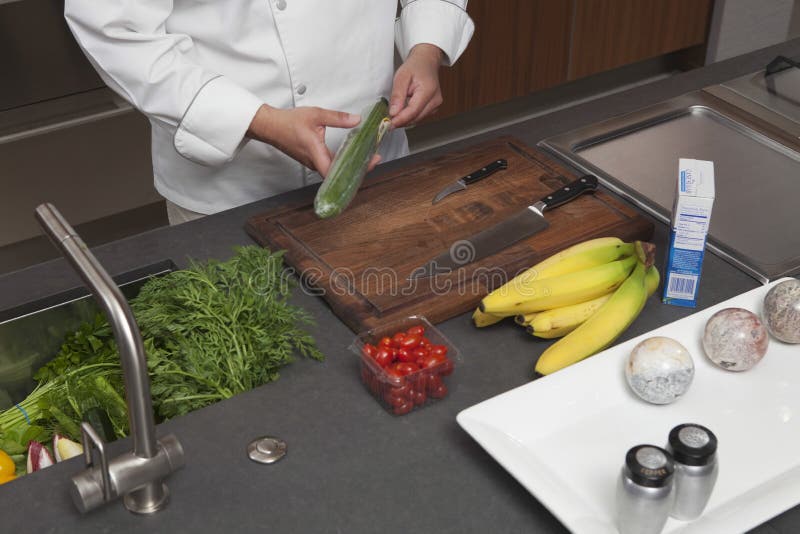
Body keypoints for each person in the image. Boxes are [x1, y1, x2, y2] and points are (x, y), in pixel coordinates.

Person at [64, 1, 475, 225]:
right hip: (227, 187)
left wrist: (426, 46)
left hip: (377, 161)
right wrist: (256, 120)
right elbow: (115, 31)